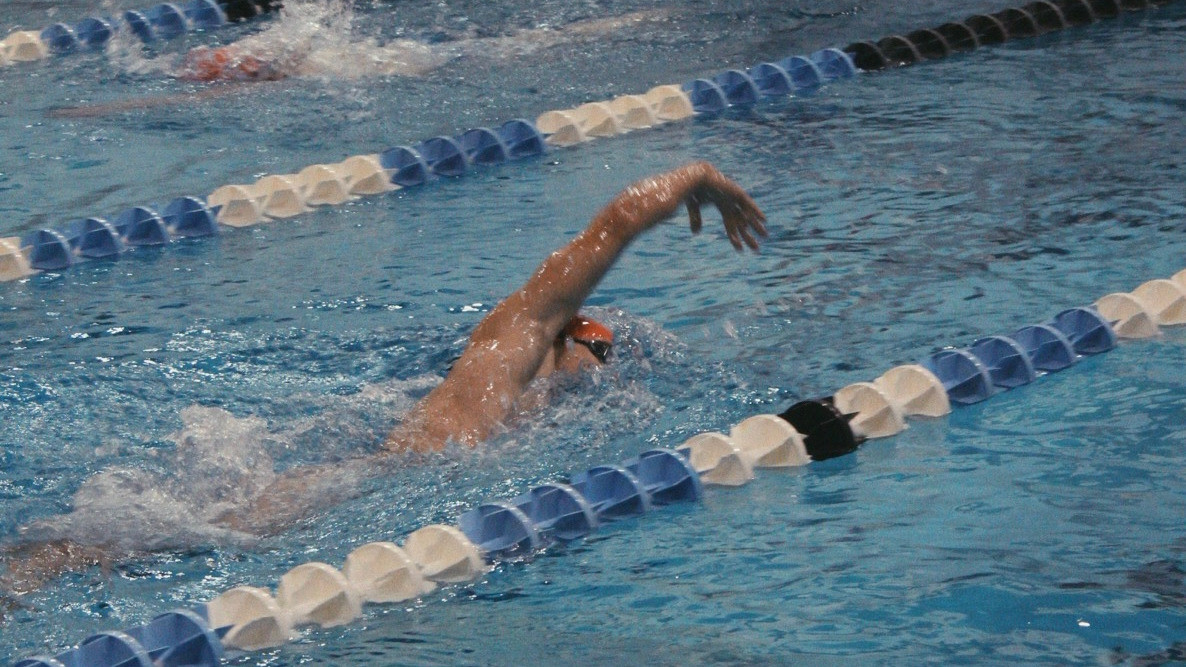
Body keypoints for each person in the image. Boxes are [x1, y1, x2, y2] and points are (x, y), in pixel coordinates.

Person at [0, 162, 765, 601]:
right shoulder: (505, 353)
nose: (596, 358)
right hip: (372, 477)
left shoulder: (539, 402)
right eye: (592, 339)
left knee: (205, 522)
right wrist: (695, 175)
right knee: (186, 532)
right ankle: (36, 566)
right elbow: (611, 229)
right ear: (562, 328)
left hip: (375, 474)